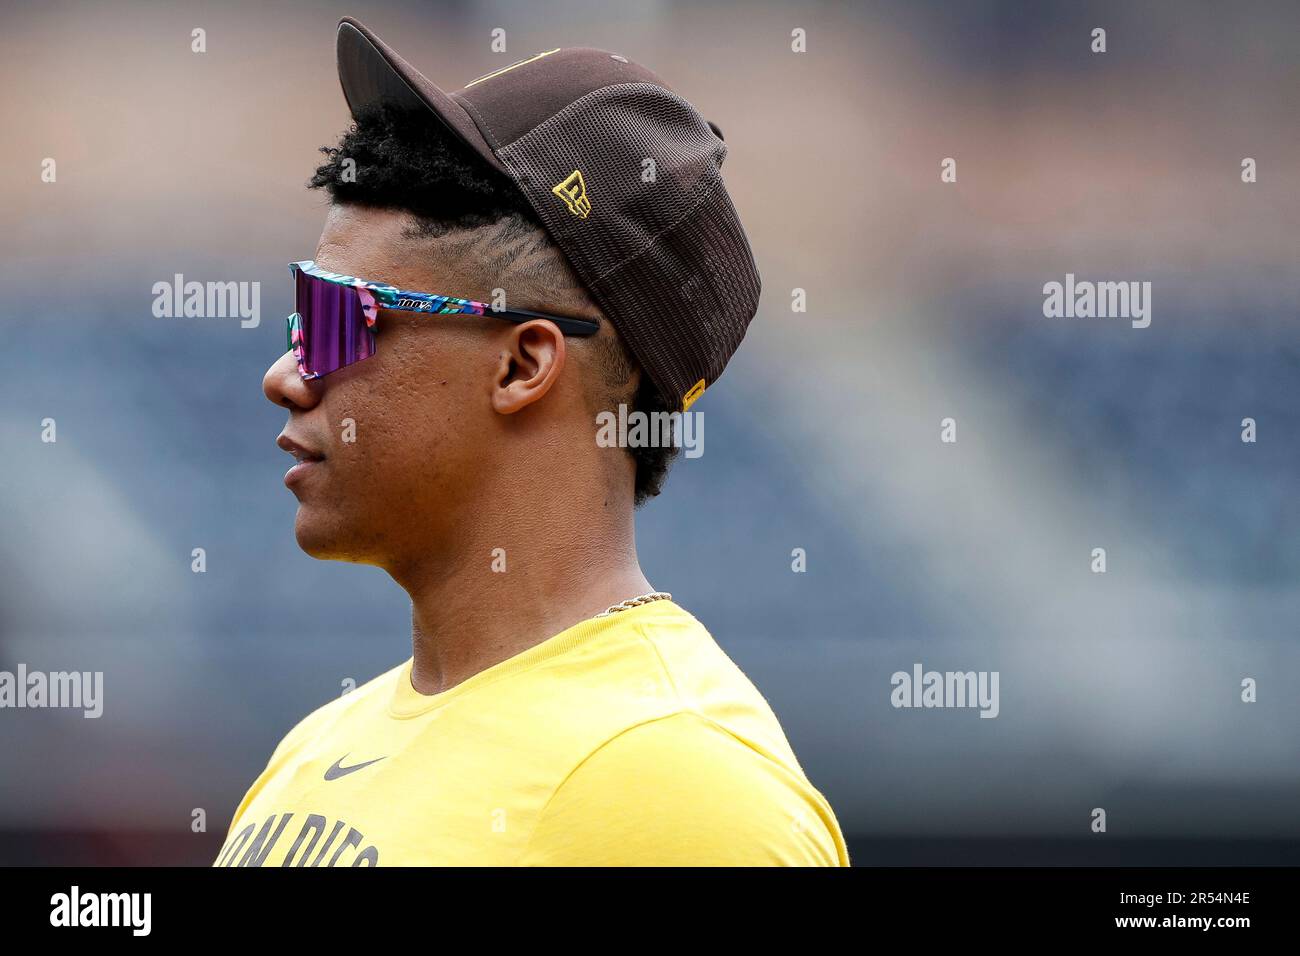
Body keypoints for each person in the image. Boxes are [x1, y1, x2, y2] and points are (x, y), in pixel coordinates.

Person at [216, 16, 848, 867]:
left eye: (339, 319)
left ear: (522, 364)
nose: (286, 374)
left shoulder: (677, 790)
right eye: (303, 315)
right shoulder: (315, 749)